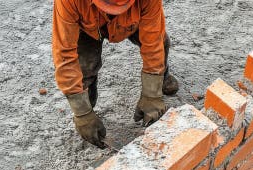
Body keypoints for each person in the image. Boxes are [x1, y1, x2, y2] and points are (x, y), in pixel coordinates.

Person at [52, 0, 179, 148]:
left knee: (162, 42)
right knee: (83, 68)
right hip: (87, 26)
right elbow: (65, 55)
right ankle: (88, 111)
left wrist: (152, 94)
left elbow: (153, 43)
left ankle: (162, 80)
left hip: (132, 21)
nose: (113, 11)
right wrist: (82, 113)